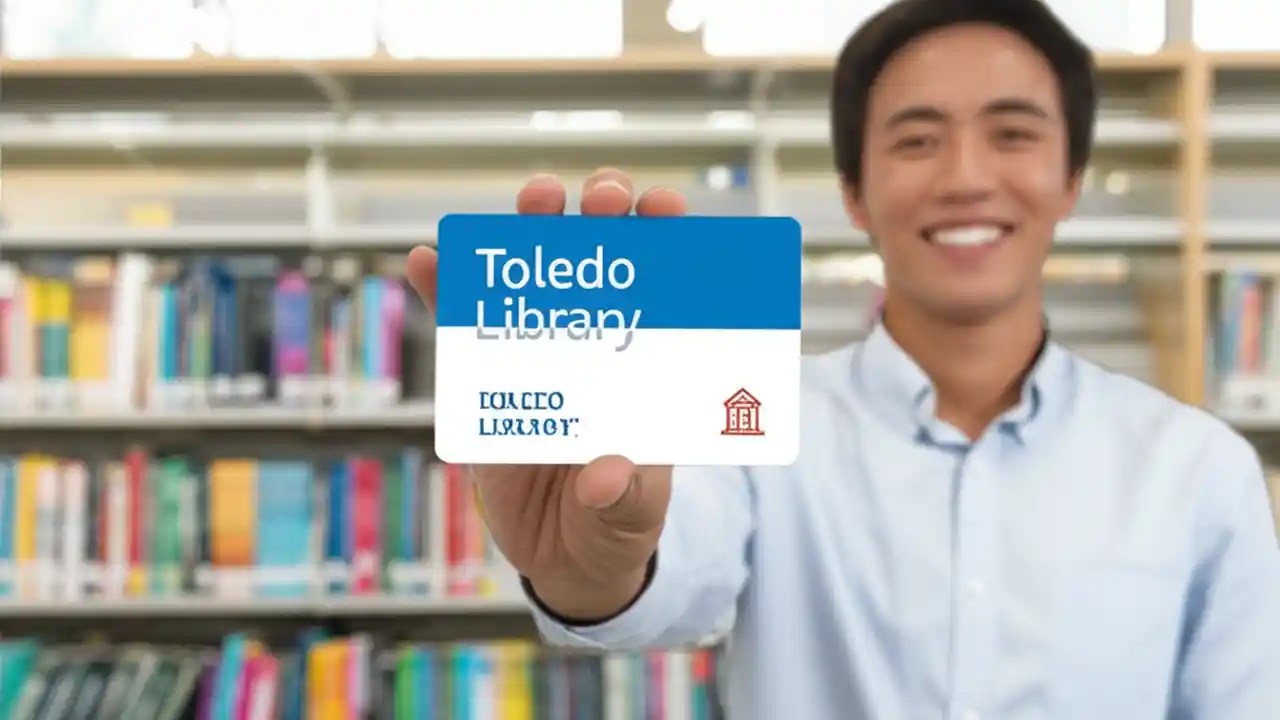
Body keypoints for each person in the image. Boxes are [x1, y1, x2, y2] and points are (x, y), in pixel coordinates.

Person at [406, 0, 1280, 717]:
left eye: (1013, 134)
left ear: (1072, 178)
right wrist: (585, 566)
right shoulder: (751, 420)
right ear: (854, 192)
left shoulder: (1199, 470)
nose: (965, 176)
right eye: (916, 138)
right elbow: (667, 572)